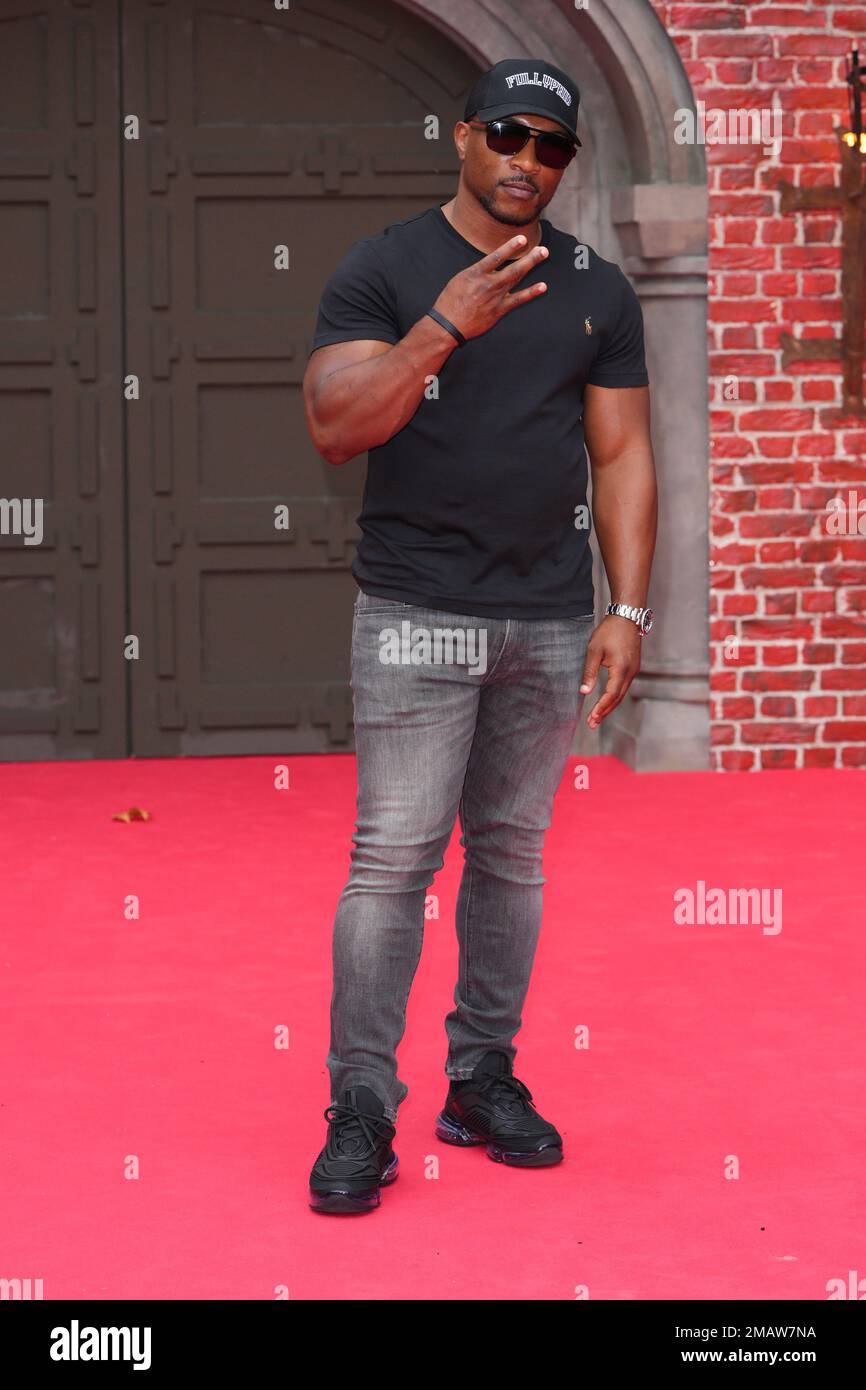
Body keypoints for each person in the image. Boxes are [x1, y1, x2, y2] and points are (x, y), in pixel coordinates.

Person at [302, 57, 658, 1214]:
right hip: (415, 613)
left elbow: (619, 455)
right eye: (508, 135)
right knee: (392, 861)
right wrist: (438, 331)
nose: (528, 162)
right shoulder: (385, 268)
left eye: (552, 146)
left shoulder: (598, 288)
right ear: (462, 138)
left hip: (546, 619)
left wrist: (625, 606)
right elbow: (334, 427)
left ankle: (479, 1077)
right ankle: (360, 1105)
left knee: (509, 856)